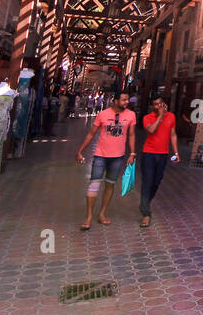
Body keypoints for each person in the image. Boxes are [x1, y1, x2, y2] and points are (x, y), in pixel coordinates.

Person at [74, 90, 135, 230]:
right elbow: (91, 134)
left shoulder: (131, 115)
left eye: (127, 100)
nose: (127, 102)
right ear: (116, 101)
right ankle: (88, 217)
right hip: (100, 155)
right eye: (124, 100)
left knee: (110, 185)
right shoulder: (103, 114)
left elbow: (131, 135)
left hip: (118, 157)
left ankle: (102, 214)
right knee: (94, 185)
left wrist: (132, 153)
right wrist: (80, 151)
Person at [138, 95, 178, 227]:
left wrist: (176, 152)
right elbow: (151, 130)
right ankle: (146, 213)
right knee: (147, 182)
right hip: (149, 153)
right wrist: (160, 117)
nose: (158, 106)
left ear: (164, 104)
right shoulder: (147, 118)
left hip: (163, 154)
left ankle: (145, 203)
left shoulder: (171, 117)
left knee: (157, 181)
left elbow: (172, 134)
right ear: (152, 106)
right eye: (155, 104)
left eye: (160, 103)